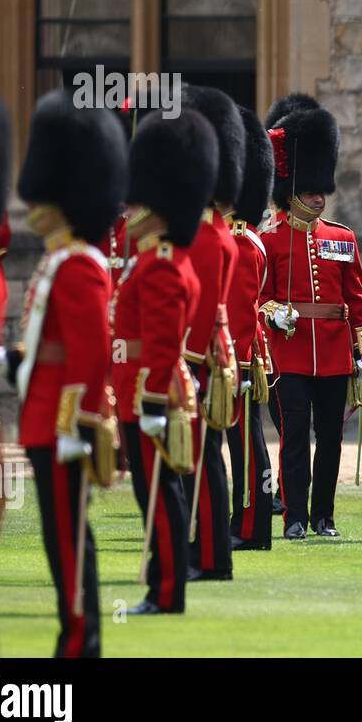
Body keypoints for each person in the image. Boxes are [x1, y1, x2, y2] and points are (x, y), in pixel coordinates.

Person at [9, 89, 127, 656]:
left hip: (61, 428)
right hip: (43, 421)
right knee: (60, 541)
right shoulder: (60, 259)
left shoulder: (80, 265)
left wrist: (79, 427)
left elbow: (91, 353)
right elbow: (45, 349)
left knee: (68, 539)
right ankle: (74, 634)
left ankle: (80, 640)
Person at [113, 110, 218, 615]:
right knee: (157, 497)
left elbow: (159, 342)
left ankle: (168, 591)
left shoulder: (160, 266)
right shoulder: (158, 259)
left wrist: (152, 400)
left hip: (150, 394)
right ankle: (163, 586)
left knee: (160, 499)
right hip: (147, 391)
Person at [259, 95, 362, 540]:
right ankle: (294, 517)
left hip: (333, 354)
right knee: (293, 439)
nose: (319, 197)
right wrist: (275, 313)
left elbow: (356, 299)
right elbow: (259, 296)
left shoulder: (341, 238)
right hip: (288, 354)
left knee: (330, 440)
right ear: (292, 189)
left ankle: (324, 516)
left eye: (321, 189)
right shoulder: (270, 239)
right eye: (310, 190)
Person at [180, 86, 245, 581]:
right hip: (209, 356)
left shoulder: (205, 234)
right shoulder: (215, 229)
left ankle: (209, 557)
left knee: (203, 464)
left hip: (199, 359)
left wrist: (184, 363)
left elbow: (200, 311)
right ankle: (208, 553)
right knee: (206, 461)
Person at [226, 104, 275, 551]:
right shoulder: (236, 238)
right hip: (238, 358)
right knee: (242, 442)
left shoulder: (240, 243)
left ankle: (252, 527)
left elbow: (240, 310)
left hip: (238, 360)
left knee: (246, 444)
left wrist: (237, 364)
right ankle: (243, 522)